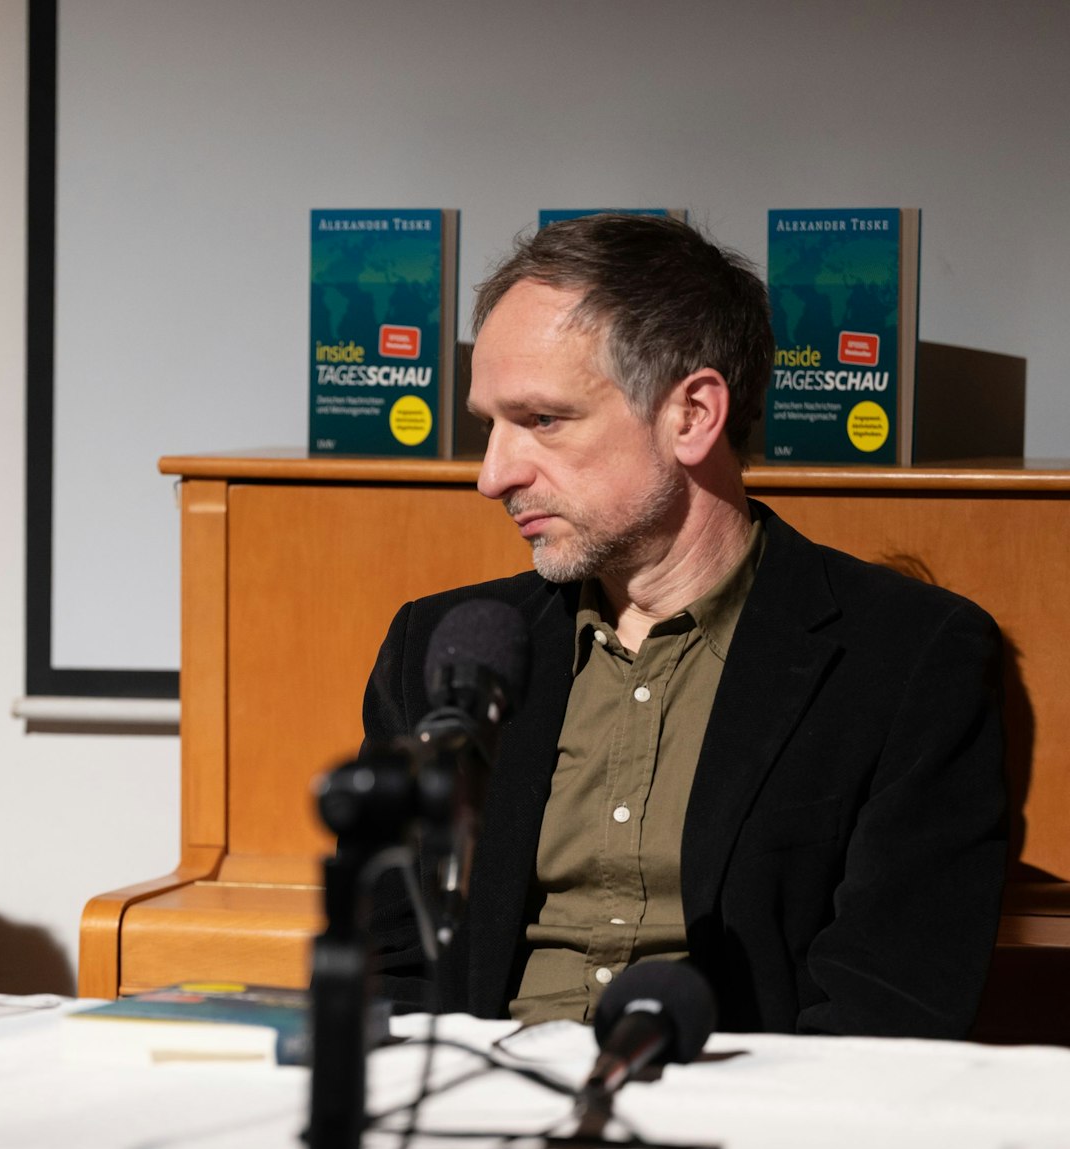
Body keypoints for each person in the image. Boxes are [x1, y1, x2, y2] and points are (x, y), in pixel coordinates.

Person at [361, 214, 1006, 1038]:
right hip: (477, 1116)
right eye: (491, 424)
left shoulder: (909, 659)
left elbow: (886, 1009)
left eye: (544, 421)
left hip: (743, 1135)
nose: (494, 474)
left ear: (694, 414)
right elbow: (393, 970)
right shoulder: (439, 647)